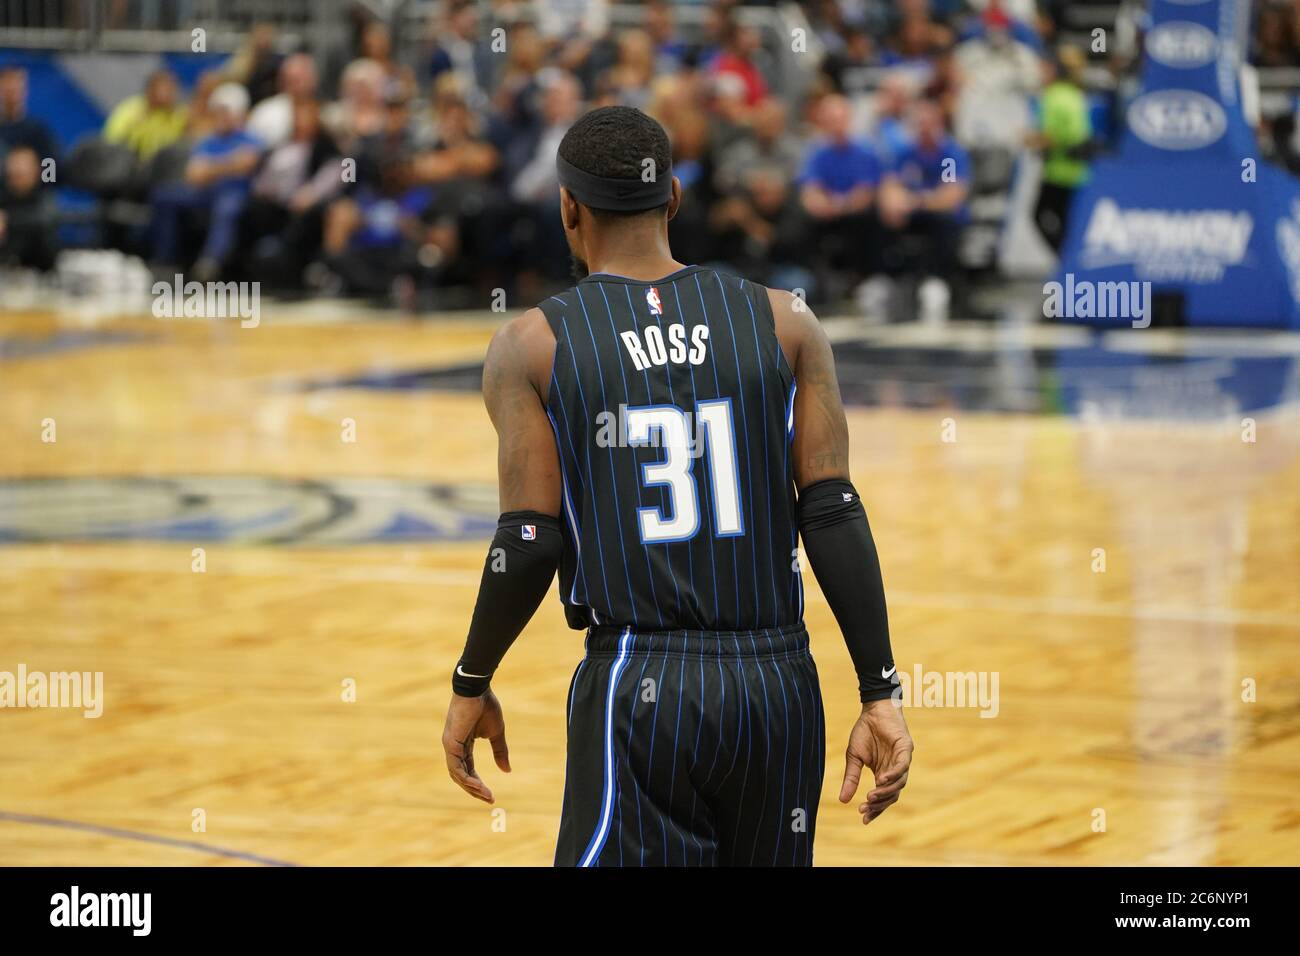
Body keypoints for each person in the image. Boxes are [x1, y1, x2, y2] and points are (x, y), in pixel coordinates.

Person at [440, 106, 913, 867]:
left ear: (568, 207)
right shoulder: (788, 321)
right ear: (676, 199)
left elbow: (529, 539)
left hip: (643, 678)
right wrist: (878, 689)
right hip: (780, 684)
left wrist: (473, 678)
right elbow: (832, 511)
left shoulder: (532, 344)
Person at [151, 82, 264, 279]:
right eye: (217, 112)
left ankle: (210, 263)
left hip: (237, 193)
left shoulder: (251, 139)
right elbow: (194, 175)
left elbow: (247, 164)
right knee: (164, 196)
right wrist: (230, 164)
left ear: (238, 113)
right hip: (206, 193)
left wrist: (212, 168)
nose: (221, 117)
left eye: (225, 111)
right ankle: (165, 261)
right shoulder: (209, 140)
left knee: (227, 207)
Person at [102, 69, 187, 162]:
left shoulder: (177, 115)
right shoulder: (131, 109)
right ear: (150, 89)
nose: (170, 94)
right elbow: (112, 140)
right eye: (165, 89)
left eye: (172, 89)